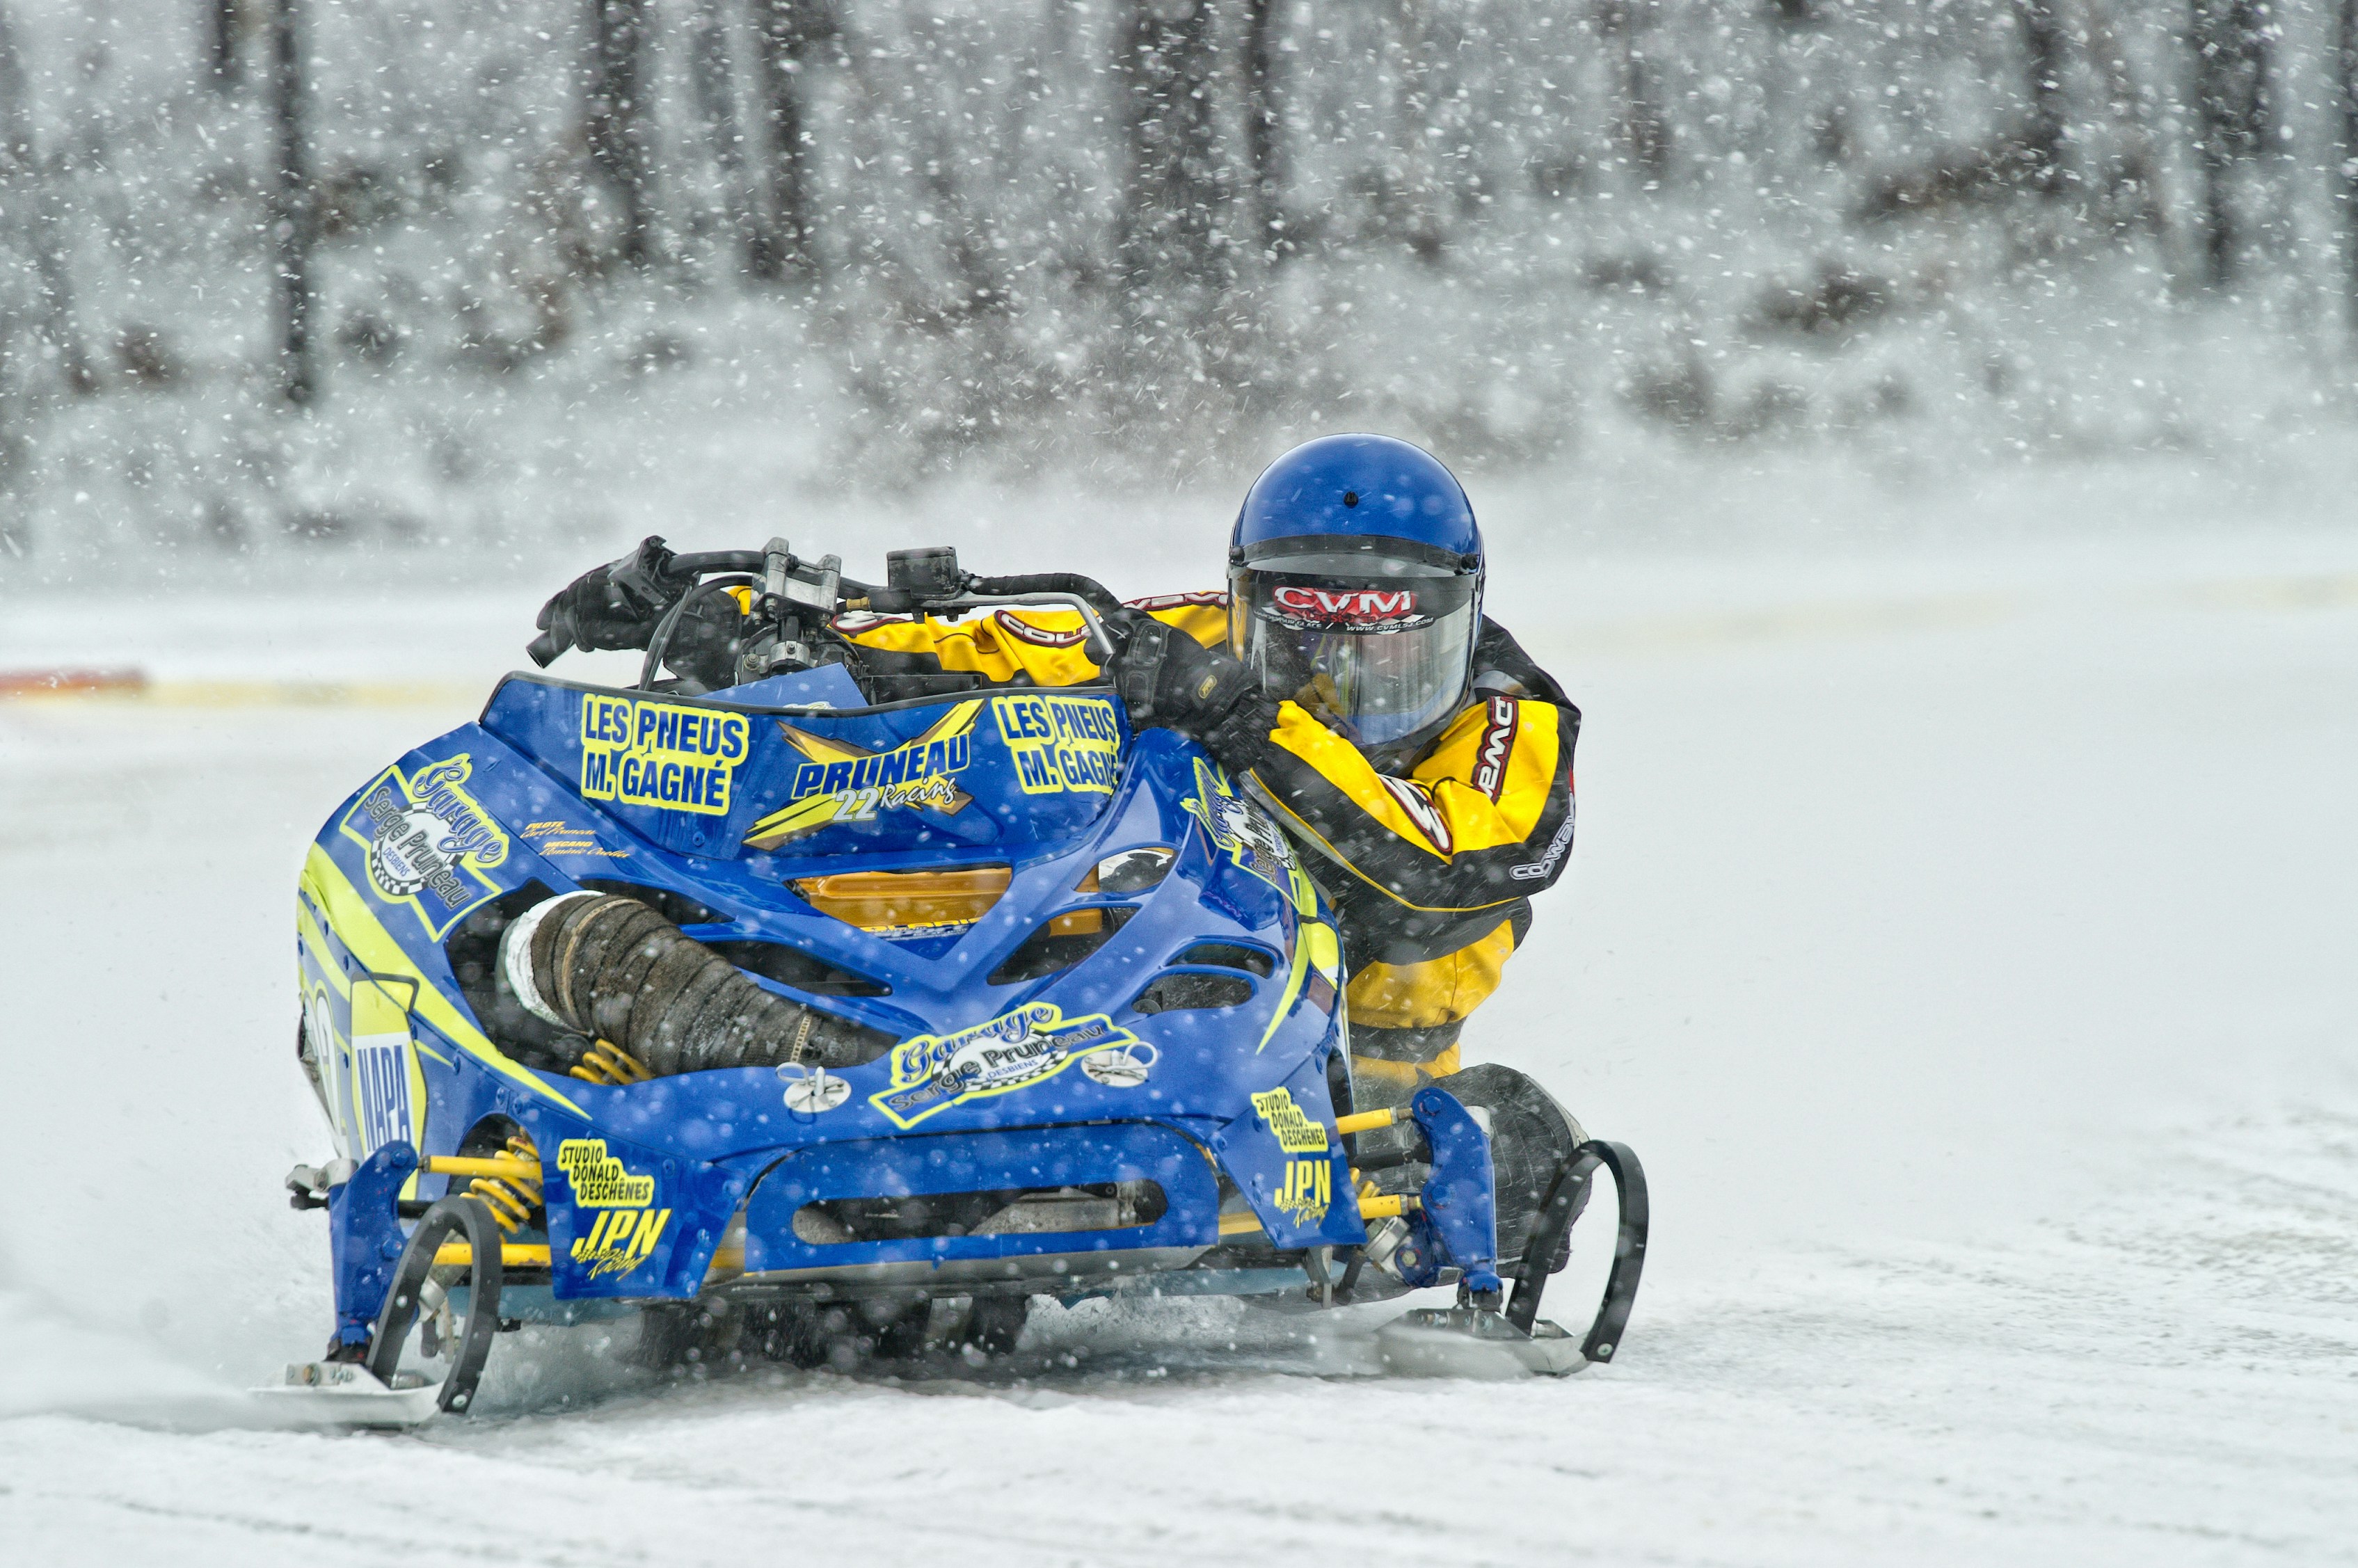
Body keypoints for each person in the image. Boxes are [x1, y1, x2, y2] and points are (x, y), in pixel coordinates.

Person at [532, 433, 1585, 1263]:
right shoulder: (1194, 638)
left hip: (1352, 1111)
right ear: (1246, 606)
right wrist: (759, 624)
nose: (1346, 693)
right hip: (1128, 1005)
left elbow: (1434, 879)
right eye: (1308, 651)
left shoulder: (1513, 727)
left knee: (1518, 1136)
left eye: (1391, 655)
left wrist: (1248, 717)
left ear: (1465, 617)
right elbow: (990, 642)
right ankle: (842, 1084)